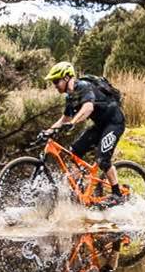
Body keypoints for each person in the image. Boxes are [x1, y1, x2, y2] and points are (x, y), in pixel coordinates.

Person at [41, 61, 125, 205]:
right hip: (100, 125)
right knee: (74, 152)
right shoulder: (70, 97)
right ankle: (80, 190)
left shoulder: (84, 87)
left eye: (56, 81)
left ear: (67, 78)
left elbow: (88, 108)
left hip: (114, 123)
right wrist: (48, 131)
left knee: (103, 159)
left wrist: (73, 123)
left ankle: (117, 193)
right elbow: (64, 119)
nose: (55, 85)